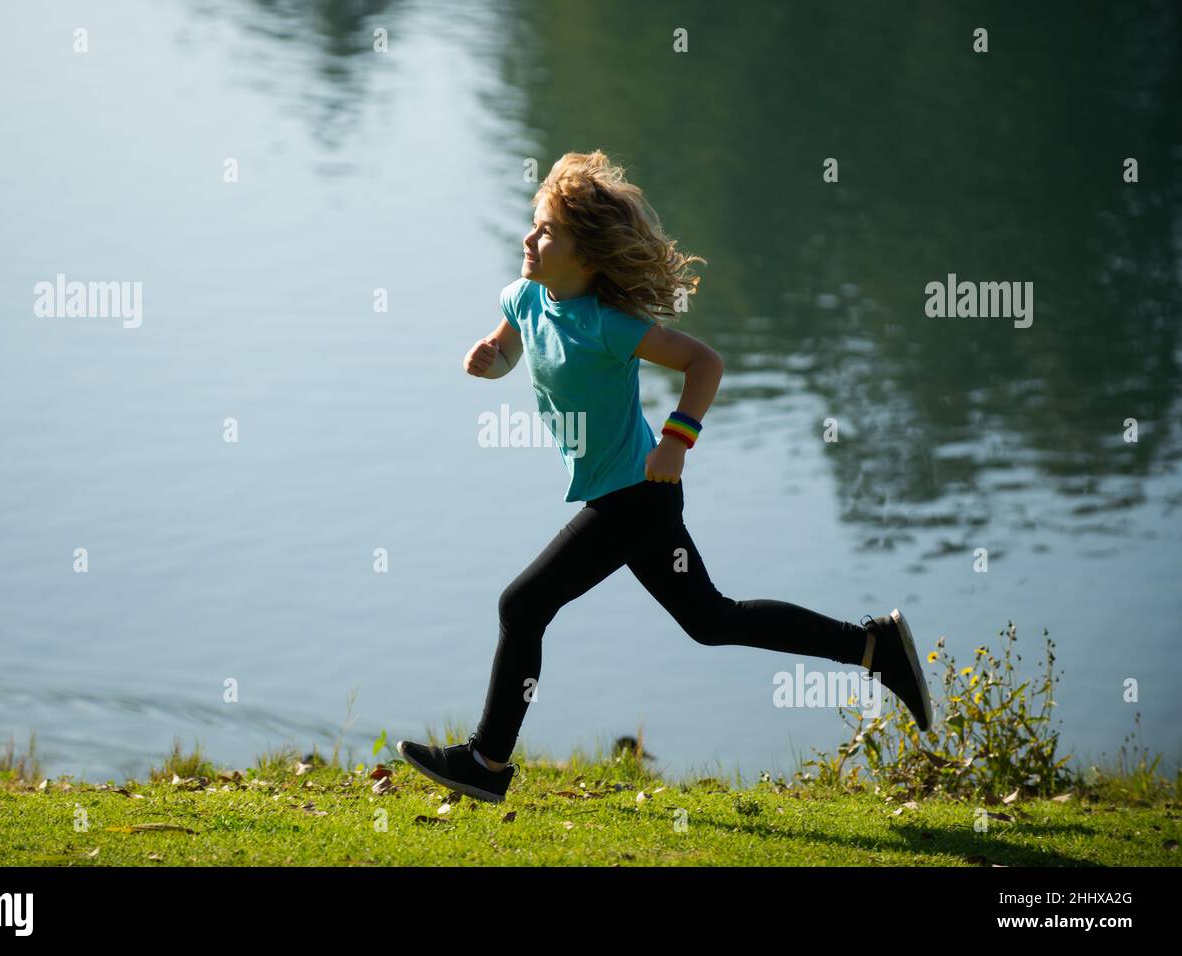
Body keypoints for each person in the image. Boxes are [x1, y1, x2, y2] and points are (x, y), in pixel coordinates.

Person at [396, 150, 933, 803]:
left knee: (523, 605)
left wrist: (678, 439)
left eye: (547, 232)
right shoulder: (523, 296)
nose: (529, 239)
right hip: (625, 494)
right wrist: (491, 358)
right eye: (533, 224)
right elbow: (516, 343)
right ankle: (874, 647)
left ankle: (486, 763)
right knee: (709, 618)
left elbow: (704, 363)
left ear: (587, 257)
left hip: (636, 496)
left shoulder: (608, 325)